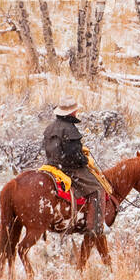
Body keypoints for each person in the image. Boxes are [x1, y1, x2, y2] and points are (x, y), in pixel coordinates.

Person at [42, 98, 105, 238]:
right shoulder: (70, 129)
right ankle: (94, 226)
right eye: (75, 110)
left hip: (51, 166)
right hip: (69, 169)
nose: (77, 112)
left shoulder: (50, 128)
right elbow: (73, 156)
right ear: (71, 112)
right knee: (97, 188)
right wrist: (84, 159)